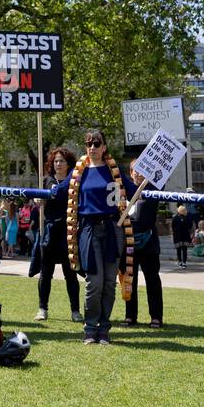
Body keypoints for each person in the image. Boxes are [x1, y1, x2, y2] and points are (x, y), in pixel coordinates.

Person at [66, 128, 137, 344]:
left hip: (113, 229)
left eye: (97, 144)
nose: (93, 148)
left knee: (108, 283)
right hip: (88, 230)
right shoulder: (80, 172)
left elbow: (134, 190)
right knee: (93, 282)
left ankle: (104, 329)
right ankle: (90, 328)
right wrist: (46, 194)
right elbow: (61, 190)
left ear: (104, 147)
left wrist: (151, 181)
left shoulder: (113, 171)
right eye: (89, 144)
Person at [35, 147, 82, 322]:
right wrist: (38, 199)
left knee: (70, 273)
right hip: (49, 232)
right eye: (55, 161)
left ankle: (75, 311)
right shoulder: (46, 181)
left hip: (68, 232)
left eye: (61, 160)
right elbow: (38, 199)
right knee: (46, 273)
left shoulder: (74, 183)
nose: (58, 163)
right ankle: (42, 309)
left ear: (68, 164)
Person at [122, 159, 163, 328]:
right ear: (130, 173)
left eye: (141, 170)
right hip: (129, 242)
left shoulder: (154, 189)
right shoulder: (124, 192)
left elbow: (162, 176)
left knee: (152, 280)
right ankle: (130, 316)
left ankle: (156, 317)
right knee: (129, 281)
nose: (138, 173)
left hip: (149, 243)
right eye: (134, 170)